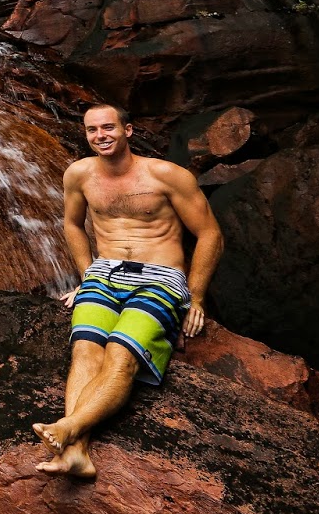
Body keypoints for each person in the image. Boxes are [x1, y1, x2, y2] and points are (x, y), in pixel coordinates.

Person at [34, 103, 224, 479]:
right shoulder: (79, 175)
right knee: (85, 351)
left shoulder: (167, 175)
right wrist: (87, 274)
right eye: (92, 130)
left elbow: (210, 234)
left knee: (121, 354)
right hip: (104, 274)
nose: (100, 136)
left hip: (160, 278)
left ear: (128, 130)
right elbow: (72, 225)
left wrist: (197, 297)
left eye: (108, 127)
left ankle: (69, 430)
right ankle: (77, 455)